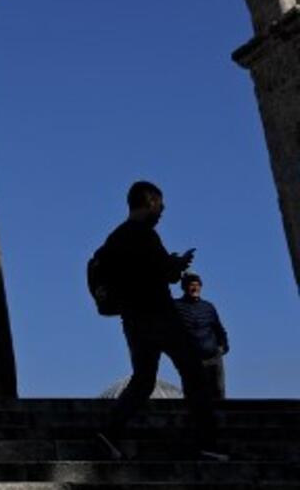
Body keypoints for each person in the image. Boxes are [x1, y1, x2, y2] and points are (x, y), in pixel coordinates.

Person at [95, 181, 223, 460]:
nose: (163, 210)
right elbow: (165, 273)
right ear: (149, 202)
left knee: (143, 380)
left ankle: (110, 430)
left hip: (133, 320)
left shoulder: (114, 238)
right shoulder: (145, 235)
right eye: (160, 204)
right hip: (159, 314)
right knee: (194, 374)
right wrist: (177, 265)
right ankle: (207, 443)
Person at [175, 272, 229, 400]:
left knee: (218, 393)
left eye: (197, 285)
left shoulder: (208, 307)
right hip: (191, 360)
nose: (195, 288)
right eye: (191, 285)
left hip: (213, 358)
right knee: (193, 396)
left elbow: (219, 329)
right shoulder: (176, 307)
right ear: (184, 287)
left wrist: (223, 346)